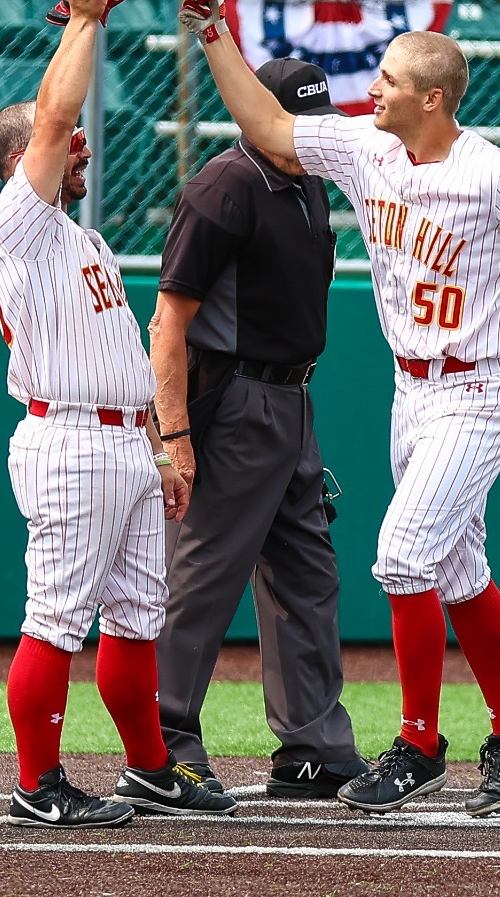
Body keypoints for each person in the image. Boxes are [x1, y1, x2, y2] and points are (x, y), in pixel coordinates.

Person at [177, 0, 500, 817]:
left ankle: (419, 744)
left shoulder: (495, 172)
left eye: (387, 80)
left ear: (434, 99)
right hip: (413, 388)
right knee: (457, 569)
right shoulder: (364, 149)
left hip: (484, 387)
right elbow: (269, 128)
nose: (370, 90)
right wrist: (211, 32)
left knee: (403, 556)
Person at [0, 0, 236, 830]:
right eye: (65, 148)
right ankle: (37, 780)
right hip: (69, 440)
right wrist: (83, 20)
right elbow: (53, 118)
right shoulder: (15, 221)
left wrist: (163, 441)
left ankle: (151, 769)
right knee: (56, 617)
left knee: (135, 615)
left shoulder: (78, 236)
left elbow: (127, 354)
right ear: (24, 164)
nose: (82, 148)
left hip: (123, 441)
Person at [148, 58, 368, 800]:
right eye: (294, 114)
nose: (308, 129)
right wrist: (174, 437)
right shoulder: (223, 186)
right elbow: (168, 321)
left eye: (315, 115)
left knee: (308, 576)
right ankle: (163, 745)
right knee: (200, 580)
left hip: (292, 401)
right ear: (254, 111)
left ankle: (313, 748)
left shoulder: (307, 179)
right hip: (234, 401)